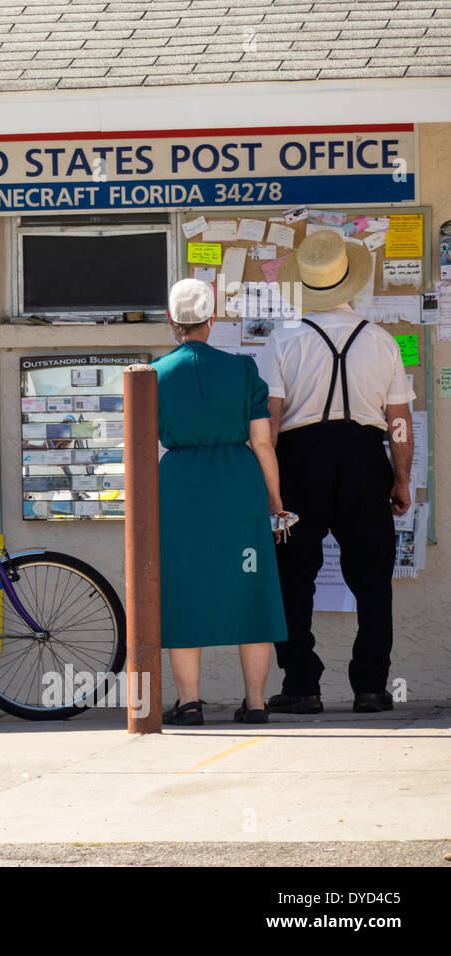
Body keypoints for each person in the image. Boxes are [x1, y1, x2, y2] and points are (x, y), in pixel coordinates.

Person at [257, 230, 415, 714]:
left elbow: (271, 417)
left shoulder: (283, 340)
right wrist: (401, 477)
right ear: (350, 285)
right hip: (365, 461)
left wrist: (272, 486)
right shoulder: (383, 342)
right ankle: (370, 687)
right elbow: (399, 423)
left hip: (300, 462)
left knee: (293, 577)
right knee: (371, 581)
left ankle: (302, 685)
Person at [152, 279, 288, 726]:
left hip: (178, 487)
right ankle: (255, 703)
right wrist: (275, 500)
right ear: (212, 321)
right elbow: (263, 442)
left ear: (173, 323)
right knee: (251, 591)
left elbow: (137, 449)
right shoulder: (244, 371)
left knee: (183, 590)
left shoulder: (153, 373)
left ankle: (189, 703)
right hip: (239, 486)